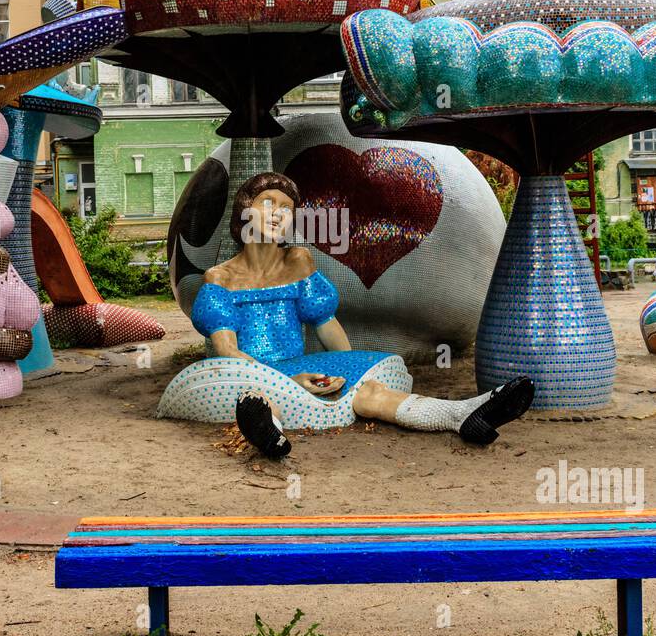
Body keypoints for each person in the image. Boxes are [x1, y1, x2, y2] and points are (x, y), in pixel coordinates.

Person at [157, 172, 534, 458]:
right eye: (268, 203)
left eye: (287, 210)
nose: (278, 215)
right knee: (258, 397)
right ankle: (267, 434)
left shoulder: (299, 262)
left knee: (369, 390)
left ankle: (460, 414)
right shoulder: (220, 278)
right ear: (244, 212)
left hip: (300, 366)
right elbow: (227, 353)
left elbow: (326, 324)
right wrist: (289, 380)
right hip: (245, 372)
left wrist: (348, 369)